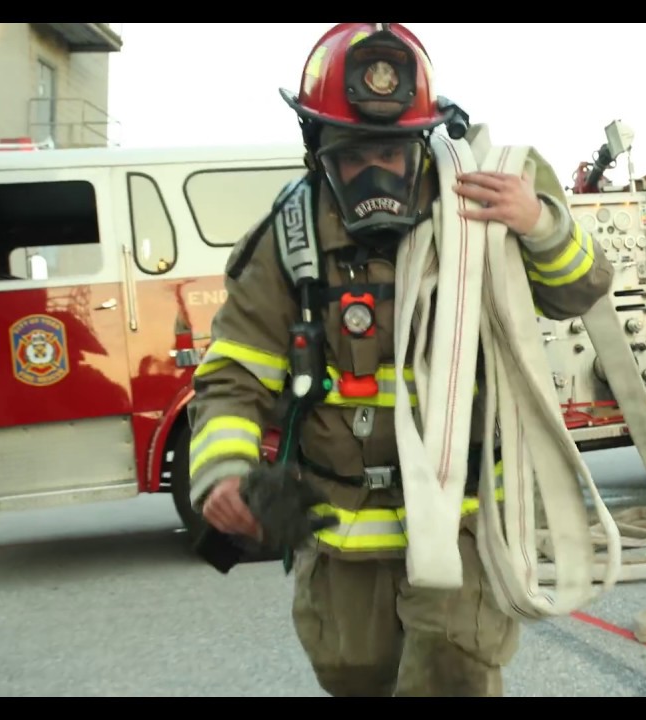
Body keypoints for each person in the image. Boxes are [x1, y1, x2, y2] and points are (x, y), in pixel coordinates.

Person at [184, 22, 615, 696]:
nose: (376, 174)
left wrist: (539, 225)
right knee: (353, 675)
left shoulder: (481, 207)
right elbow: (236, 374)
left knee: (450, 674)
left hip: (464, 519)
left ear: (423, 143)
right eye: (354, 157)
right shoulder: (287, 242)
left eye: (392, 153)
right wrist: (224, 472)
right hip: (341, 526)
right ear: (316, 148)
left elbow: (582, 289)